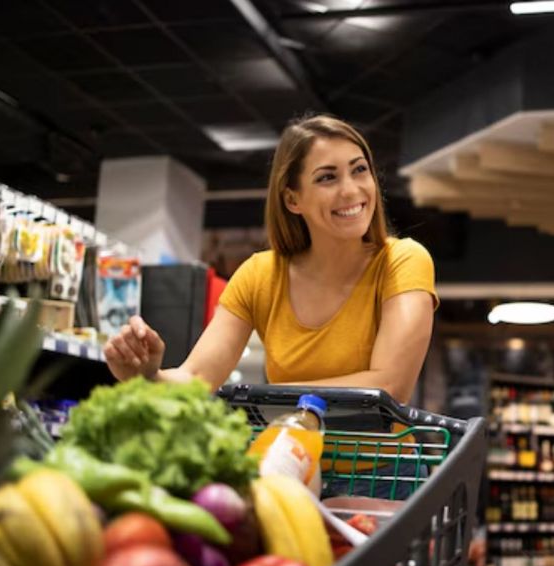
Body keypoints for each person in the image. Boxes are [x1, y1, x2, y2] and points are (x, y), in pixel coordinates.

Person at [103, 114, 439, 497]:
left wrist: (263, 399)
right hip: (288, 467)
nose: (351, 190)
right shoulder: (260, 275)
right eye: (327, 177)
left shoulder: (403, 261)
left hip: (383, 477)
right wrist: (148, 376)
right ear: (292, 199)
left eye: (359, 170)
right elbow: (197, 377)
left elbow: (389, 386)